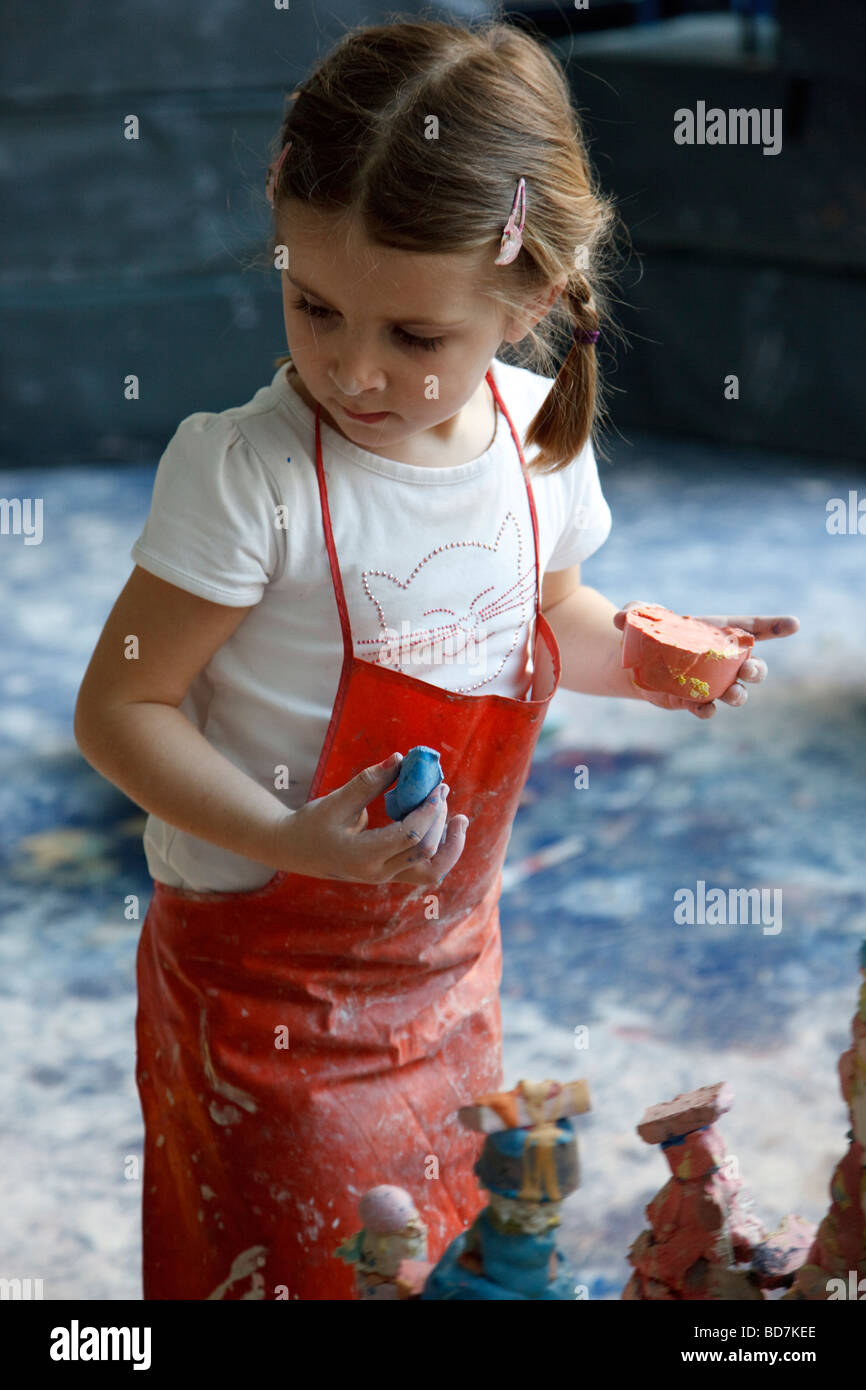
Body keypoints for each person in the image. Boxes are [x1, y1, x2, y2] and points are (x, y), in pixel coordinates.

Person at [73, 17, 797, 1300]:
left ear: (528, 299)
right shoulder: (247, 477)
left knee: (455, 1247)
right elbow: (121, 707)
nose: (351, 365)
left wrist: (649, 653)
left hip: (445, 966)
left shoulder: (533, 447)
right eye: (312, 305)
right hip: (260, 988)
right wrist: (297, 837)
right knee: (294, 1264)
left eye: (412, 338)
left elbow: (547, 621)